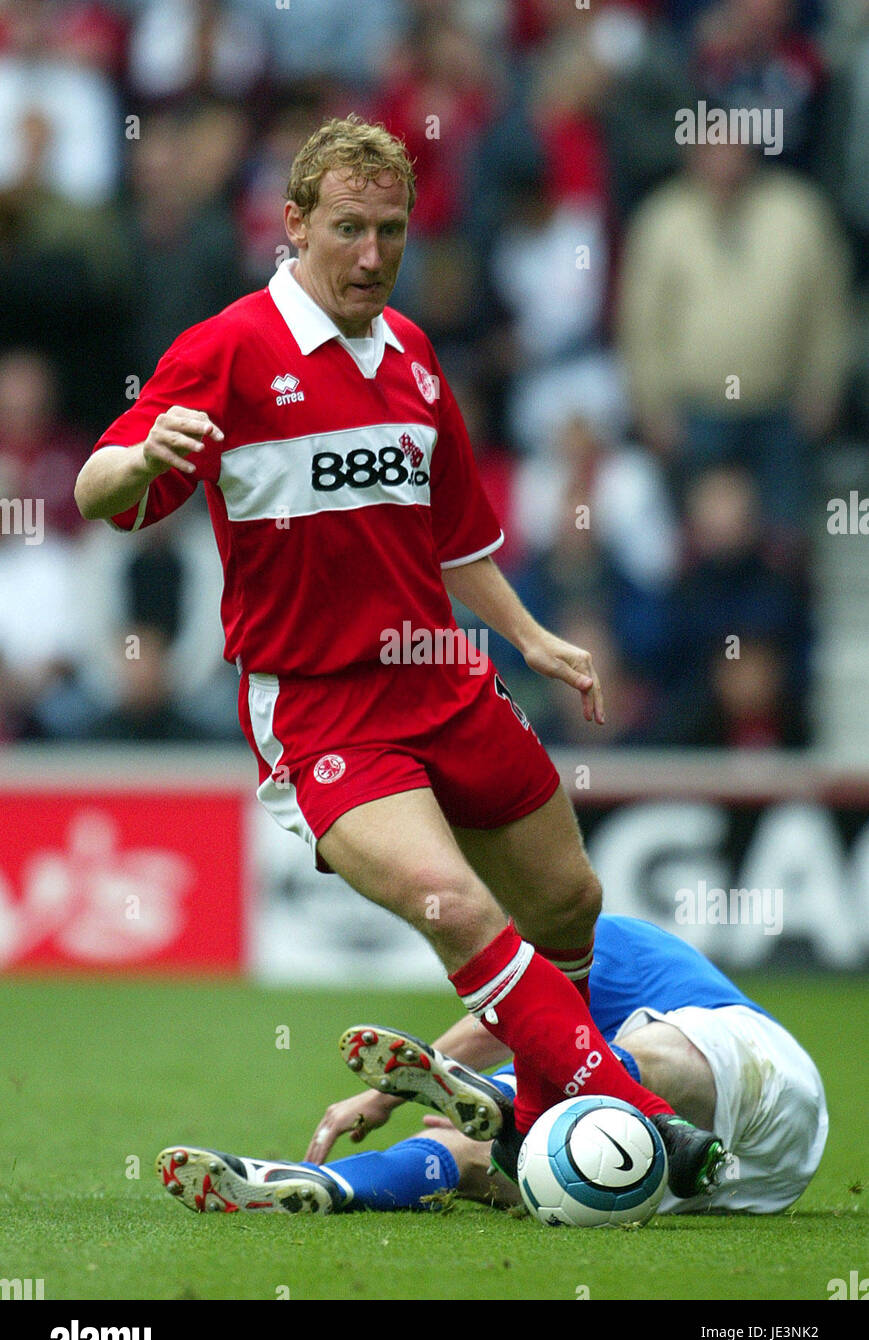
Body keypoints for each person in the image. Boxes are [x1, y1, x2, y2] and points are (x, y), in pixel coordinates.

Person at [75, 115, 723, 1194]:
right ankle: (632, 1114)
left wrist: (529, 638)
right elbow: (102, 491)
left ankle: (525, 1099)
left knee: (568, 902)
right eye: (346, 230)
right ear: (291, 225)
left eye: (390, 231)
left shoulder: (414, 357)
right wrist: (142, 451)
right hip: (324, 706)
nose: (372, 255)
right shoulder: (228, 350)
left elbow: (455, 539)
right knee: (457, 906)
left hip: (442, 677)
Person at [156, 914, 828, 1218]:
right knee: (465, 1155)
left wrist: (386, 1095)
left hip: (759, 1081)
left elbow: (500, 1018)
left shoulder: (600, 934)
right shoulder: (547, 949)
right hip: (738, 1185)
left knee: (647, 1058)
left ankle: (504, 1103)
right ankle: (326, 1185)